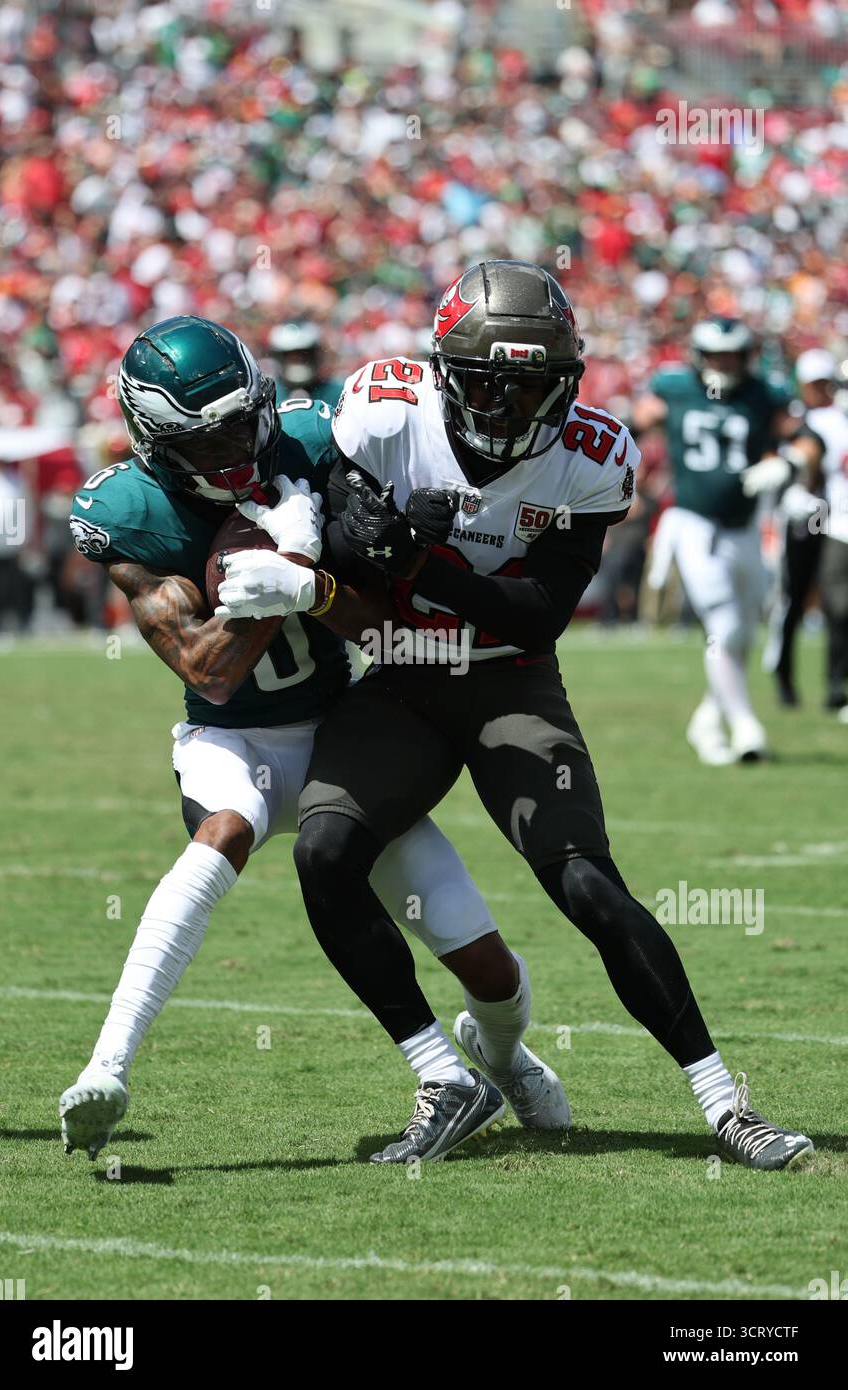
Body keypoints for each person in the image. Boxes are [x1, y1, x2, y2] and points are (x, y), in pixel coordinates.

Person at [223, 261, 813, 1170]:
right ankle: (441, 1075)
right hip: (404, 675)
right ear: (447, 373)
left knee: (585, 883)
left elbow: (538, 612)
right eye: (491, 384)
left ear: (565, 381)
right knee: (324, 851)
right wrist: (370, 539)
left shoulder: (594, 450)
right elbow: (340, 540)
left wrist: (423, 559)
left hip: (510, 677)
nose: (508, 406)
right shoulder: (384, 407)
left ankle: (726, 1105)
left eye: (532, 384)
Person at [58, 314, 567, 1163]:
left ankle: (502, 1054)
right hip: (235, 739)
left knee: (487, 968)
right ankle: (107, 1066)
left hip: (346, 729)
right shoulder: (129, 511)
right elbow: (206, 669)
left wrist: (316, 577)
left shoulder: (307, 439)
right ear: (155, 438)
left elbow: (372, 616)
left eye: (239, 417)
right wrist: (270, 577)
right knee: (221, 835)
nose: (233, 444)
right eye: (205, 433)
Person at [633, 318, 793, 764]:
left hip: (744, 528)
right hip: (694, 524)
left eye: (731, 355)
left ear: (746, 357)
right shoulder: (673, 387)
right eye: (715, 355)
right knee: (723, 625)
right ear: (699, 357)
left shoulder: (765, 394)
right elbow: (631, 425)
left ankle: (707, 720)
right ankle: (746, 728)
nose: (723, 363)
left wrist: (788, 464)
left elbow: (801, 438)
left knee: (741, 635)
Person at [761, 349, 848, 719]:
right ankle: (784, 675)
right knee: (792, 598)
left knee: (836, 601)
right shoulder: (792, 417)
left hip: (830, 518)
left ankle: (834, 683)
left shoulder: (838, 417)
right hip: (798, 517)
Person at [267, 322, 344, 410]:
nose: (297, 362)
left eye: (303, 356)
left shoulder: (338, 393)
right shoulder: (269, 396)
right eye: (291, 358)